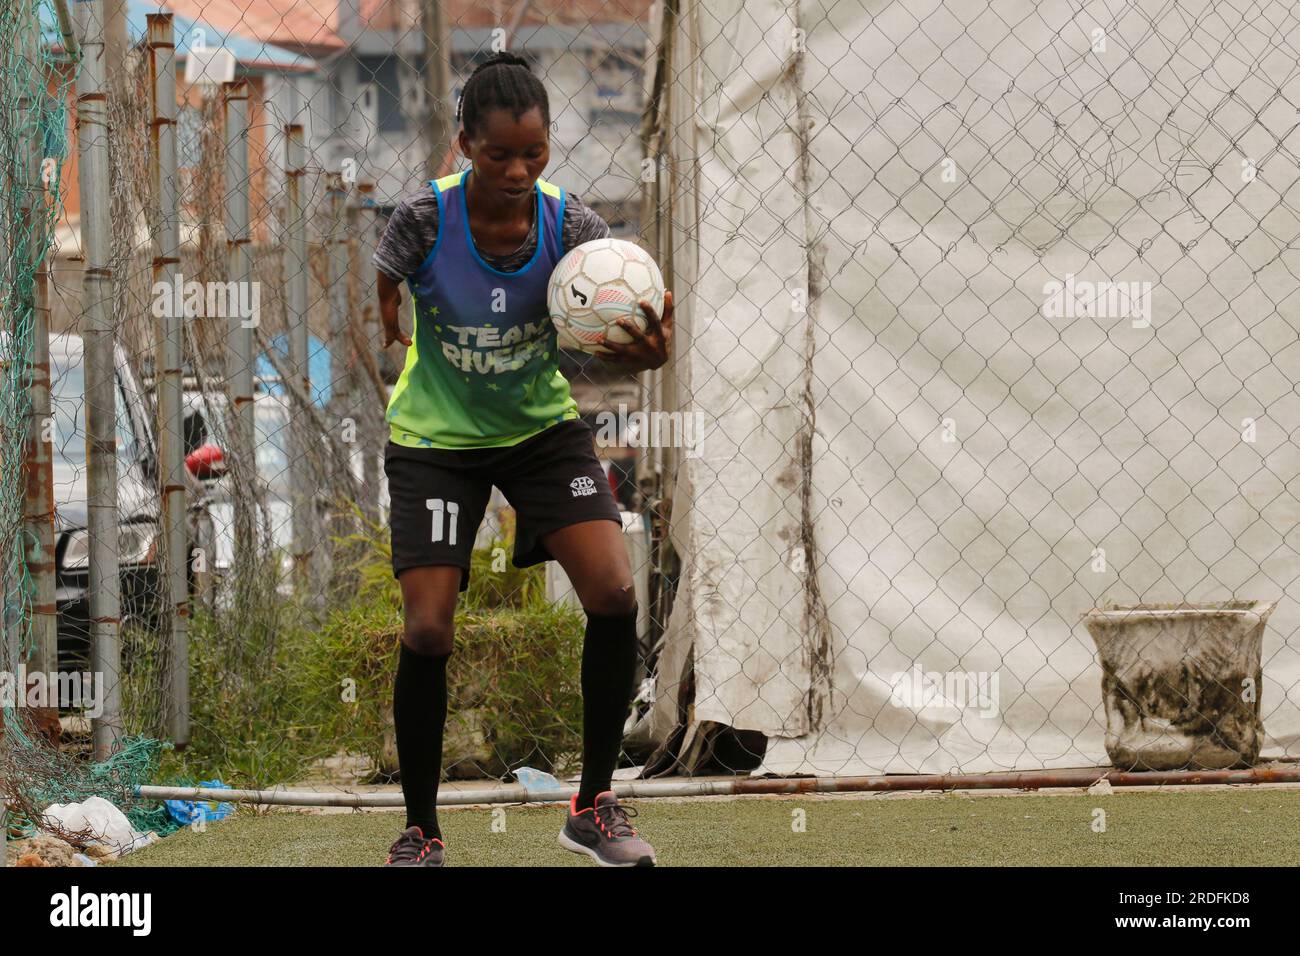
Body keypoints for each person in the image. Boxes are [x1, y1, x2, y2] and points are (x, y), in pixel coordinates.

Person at [373, 51, 673, 867]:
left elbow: (624, 325)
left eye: (533, 153)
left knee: (614, 592)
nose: (517, 170)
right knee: (428, 629)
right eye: (499, 153)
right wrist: (391, 331)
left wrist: (646, 349)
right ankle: (422, 831)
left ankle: (592, 806)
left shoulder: (572, 229)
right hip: (437, 440)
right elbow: (387, 284)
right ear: (465, 143)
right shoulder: (423, 218)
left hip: (539, 432)